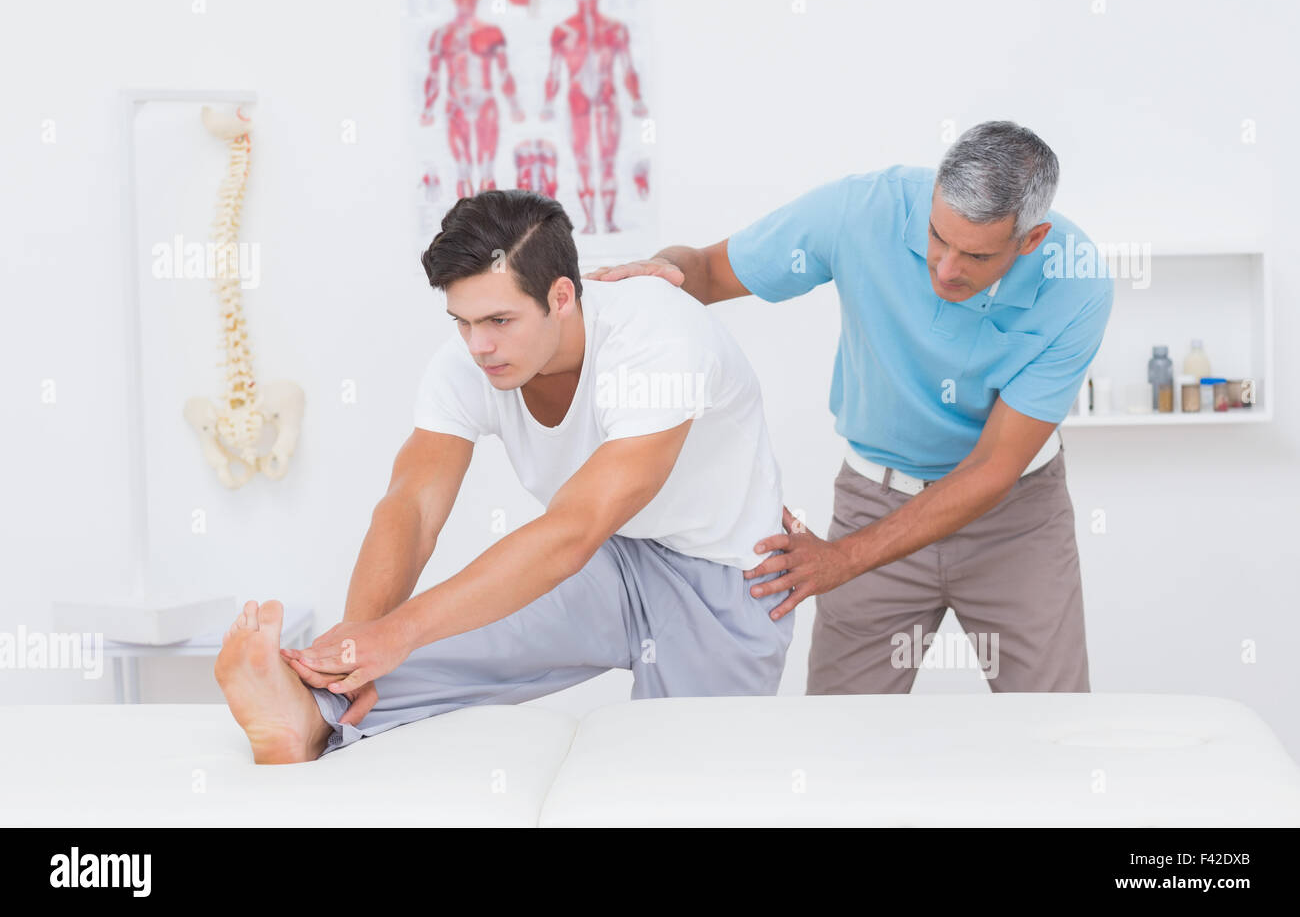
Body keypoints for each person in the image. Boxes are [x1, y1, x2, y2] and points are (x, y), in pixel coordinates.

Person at [214, 189, 794, 763]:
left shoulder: (659, 338)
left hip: (724, 582)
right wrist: (355, 644)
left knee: (690, 784)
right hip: (610, 561)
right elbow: (411, 507)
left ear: (561, 296)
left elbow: (575, 526)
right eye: (462, 322)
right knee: (407, 644)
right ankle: (316, 714)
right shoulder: (467, 361)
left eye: (499, 320)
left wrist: (397, 632)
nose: (480, 346)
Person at [586, 121, 1114, 694]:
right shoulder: (864, 210)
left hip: (1016, 521)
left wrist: (842, 559)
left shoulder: (1076, 282)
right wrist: (658, 275)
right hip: (876, 500)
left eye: (975, 255)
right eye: (938, 237)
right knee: (839, 734)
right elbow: (710, 270)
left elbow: (992, 469)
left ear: (1030, 240)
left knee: (1053, 728)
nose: (944, 268)